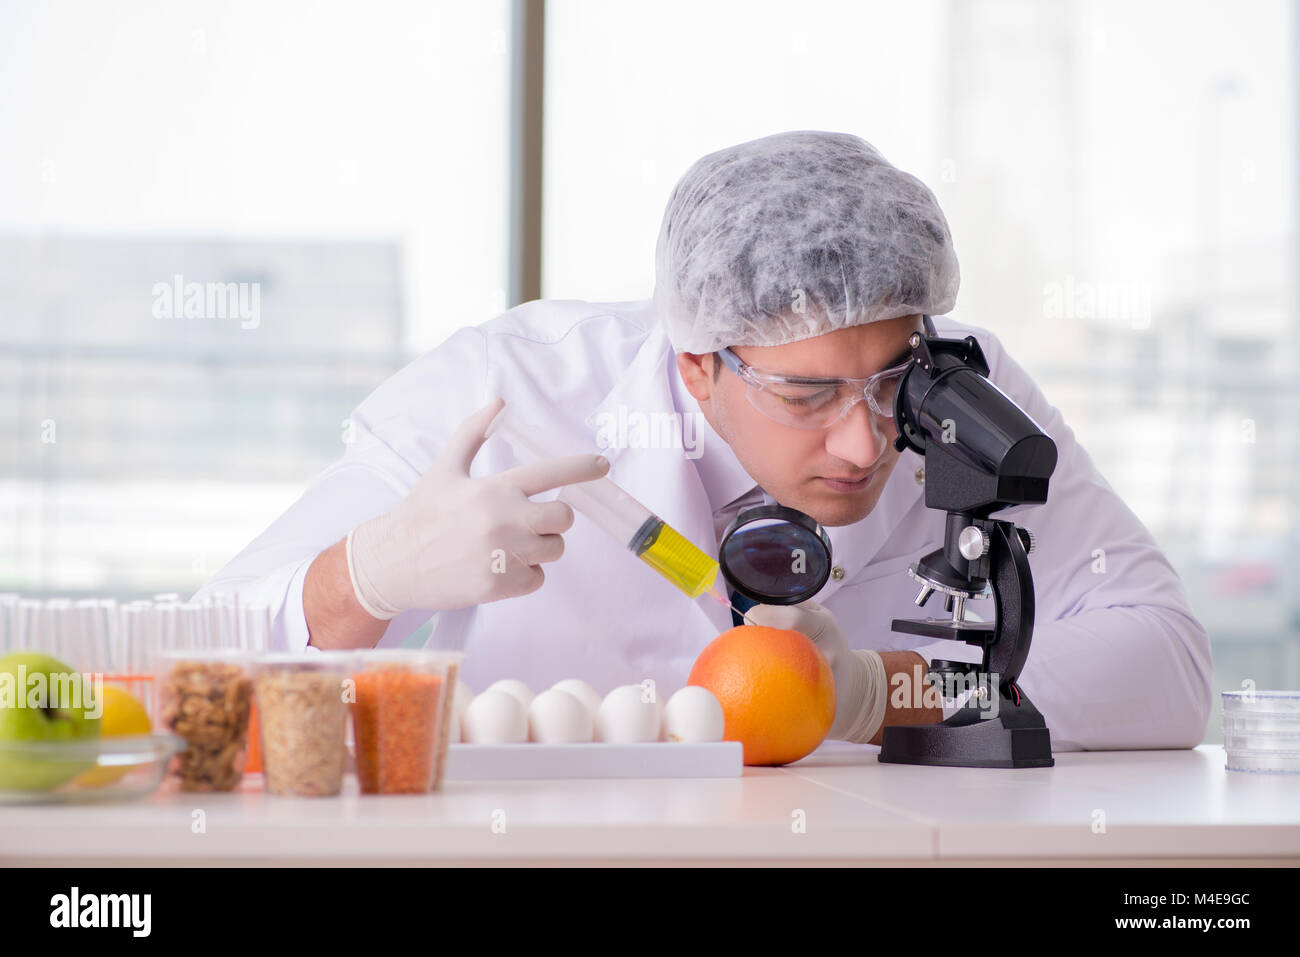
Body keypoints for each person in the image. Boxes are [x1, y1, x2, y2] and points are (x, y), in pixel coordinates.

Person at [195, 131, 1212, 750]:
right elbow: (193, 655)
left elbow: (1166, 664)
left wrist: (880, 690)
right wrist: (364, 580)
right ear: (695, 365)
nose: (862, 445)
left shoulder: (965, 388)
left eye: (891, 378)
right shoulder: (515, 391)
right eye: (806, 394)